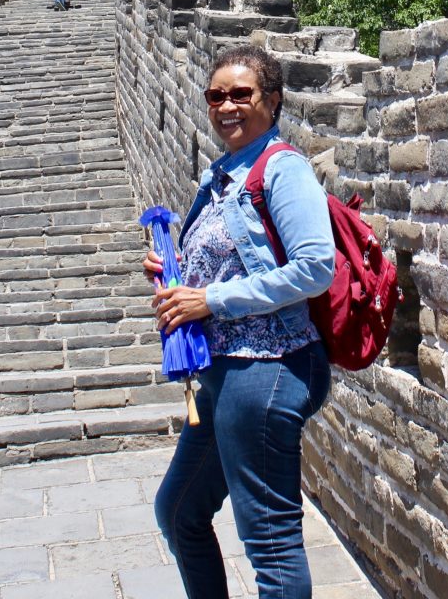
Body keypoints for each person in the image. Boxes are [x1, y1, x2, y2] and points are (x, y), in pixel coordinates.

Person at [144, 44, 334, 599]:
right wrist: (175, 272)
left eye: (241, 94)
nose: (226, 105)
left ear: (271, 101)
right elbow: (226, 261)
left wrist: (212, 300)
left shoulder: (283, 169)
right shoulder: (224, 172)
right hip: (223, 371)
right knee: (178, 512)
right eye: (215, 95)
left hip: (269, 367)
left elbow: (315, 267)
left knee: (270, 544)